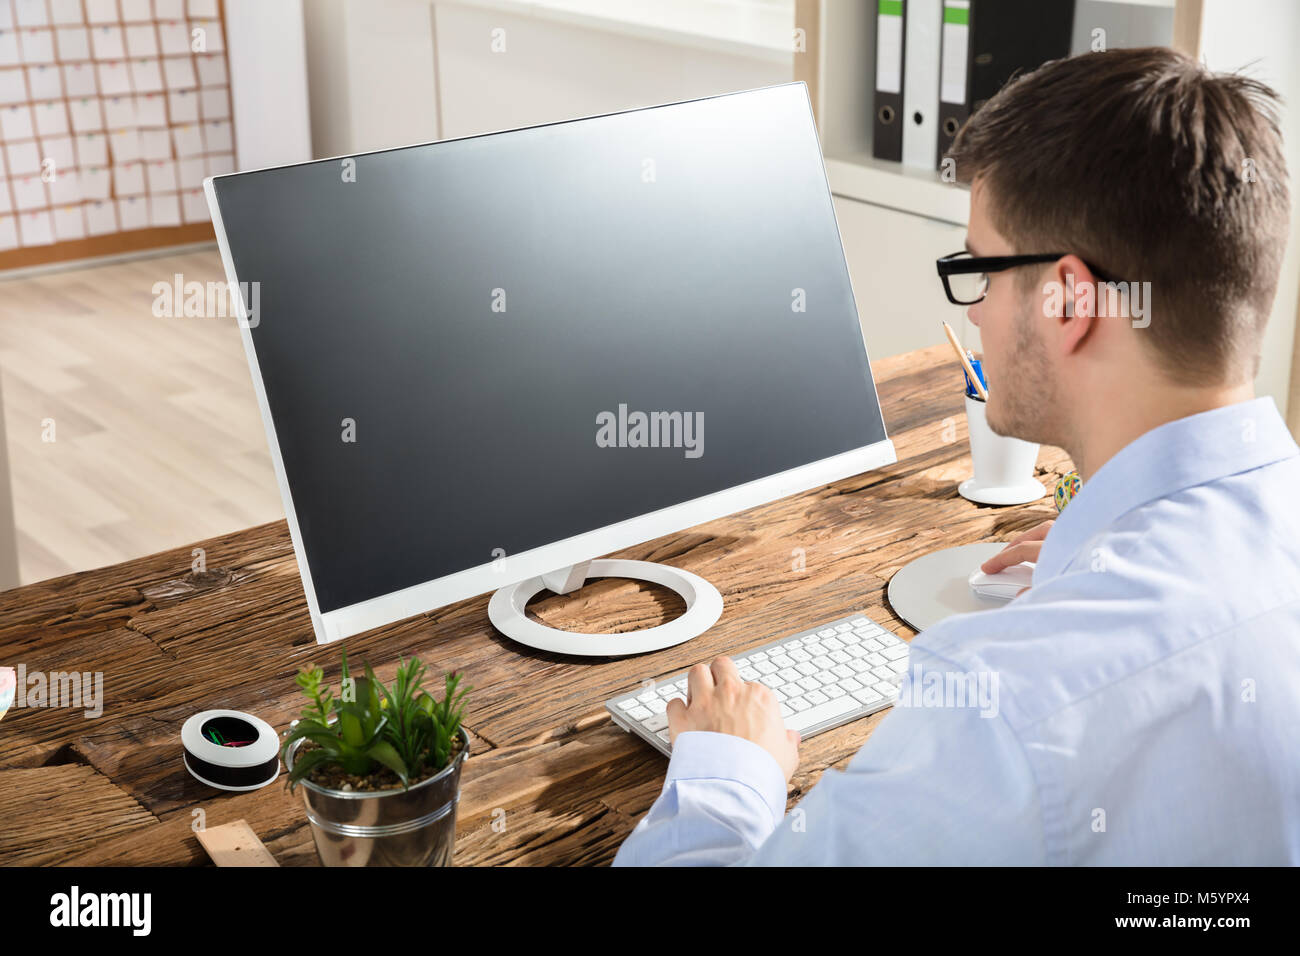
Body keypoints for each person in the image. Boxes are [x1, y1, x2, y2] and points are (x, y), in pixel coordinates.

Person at [613, 46, 1299, 866]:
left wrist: (728, 767)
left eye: (981, 271)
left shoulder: (1005, 709)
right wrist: (1098, 560)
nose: (974, 316)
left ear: (1069, 301)